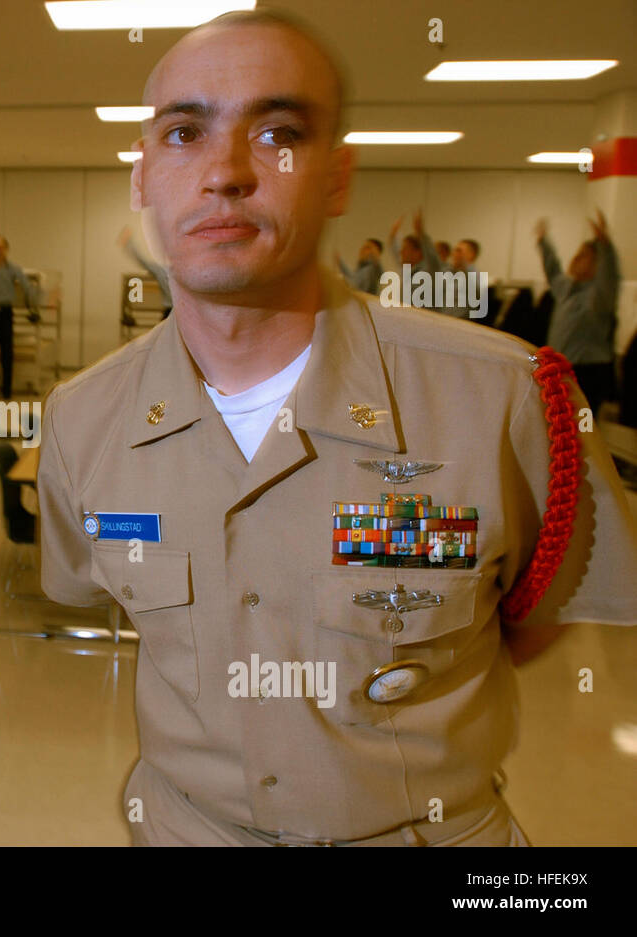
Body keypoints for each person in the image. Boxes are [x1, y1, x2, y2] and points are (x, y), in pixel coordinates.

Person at [37, 9, 637, 847]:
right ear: (143, 177)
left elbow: (539, 620)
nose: (225, 172)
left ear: (336, 176)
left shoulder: (505, 401)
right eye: (183, 133)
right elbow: (93, 595)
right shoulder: (82, 420)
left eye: (278, 132)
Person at [536, 212, 620, 410]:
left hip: (587, 372)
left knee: (582, 422)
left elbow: (610, 277)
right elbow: (553, 270)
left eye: (583, 256)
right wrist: (543, 242)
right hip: (559, 367)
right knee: (557, 419)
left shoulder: (599, 296)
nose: (575, 258)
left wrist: (605, 247)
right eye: (577, 253)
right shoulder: (566, 287)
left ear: (597, 265)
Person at [0, 235, 38, 399]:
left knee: (7, 351)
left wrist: (36, 304)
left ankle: (6, 388)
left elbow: (26, 286)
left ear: (6, 249)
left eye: (1, 246)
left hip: (5, 312)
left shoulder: (13, 269)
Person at [119, 225, 174, 319]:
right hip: (172, 312)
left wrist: (129, 243)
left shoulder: (164, 270)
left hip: (174, 312)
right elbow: (142, 260)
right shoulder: (162, 270)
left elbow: (142, 260)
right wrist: (129, 243)